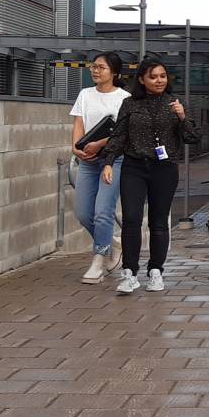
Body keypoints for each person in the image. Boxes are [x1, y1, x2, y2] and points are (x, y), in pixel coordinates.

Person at [101, 58, 200, 294]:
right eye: (153, 76)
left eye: (163, 76)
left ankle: (156, 271)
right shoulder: (130, 104)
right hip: (134, 167)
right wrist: (108, 162)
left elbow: (193, 138)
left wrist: (182, 117)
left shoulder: (175, 104)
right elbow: (119, 136)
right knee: (132, 219)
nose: (159, 81)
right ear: (142, 80)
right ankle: (129, 273)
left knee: (158, 221)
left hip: (164, 169)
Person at [70, 52, 129, 284]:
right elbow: (78, 123)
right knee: (84, 213)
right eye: (93, 67)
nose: (95, 71)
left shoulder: (125, 98)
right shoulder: (85, 94)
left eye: (101, 68)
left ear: (114, 72)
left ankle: (98, 260)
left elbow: (122, 132)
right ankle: (113, 244)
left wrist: (99, 144)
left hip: (113, 160)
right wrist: (76, 147)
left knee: (103, 212)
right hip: (87, 161)